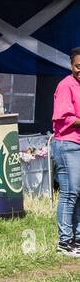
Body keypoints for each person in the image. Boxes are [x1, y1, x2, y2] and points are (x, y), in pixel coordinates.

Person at [52, 48, 80, 256]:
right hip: (67, 144)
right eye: (78, 67)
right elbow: (64, 118)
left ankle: (77, 240)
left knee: (78, 194)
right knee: (69, 193)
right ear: (71, 65)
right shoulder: (65, 86)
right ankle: (65, 242)